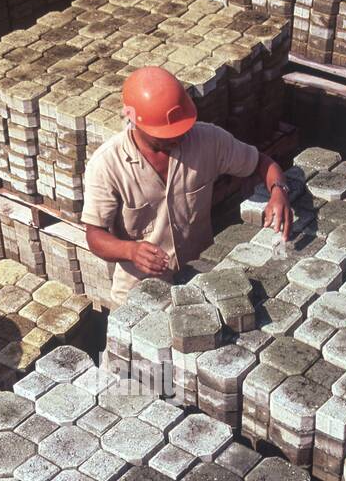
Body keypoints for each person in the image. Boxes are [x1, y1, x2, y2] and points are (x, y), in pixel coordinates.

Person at [81, 66, 294, 307]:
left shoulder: (208, 141)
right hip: (141, 295)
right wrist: (131, 251)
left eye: (181, 129)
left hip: (200, 280)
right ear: (134, 121)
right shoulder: (107, 164)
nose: (178, 137)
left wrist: (278, 190)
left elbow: (262, 163)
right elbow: (94, 235)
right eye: (165, 134)